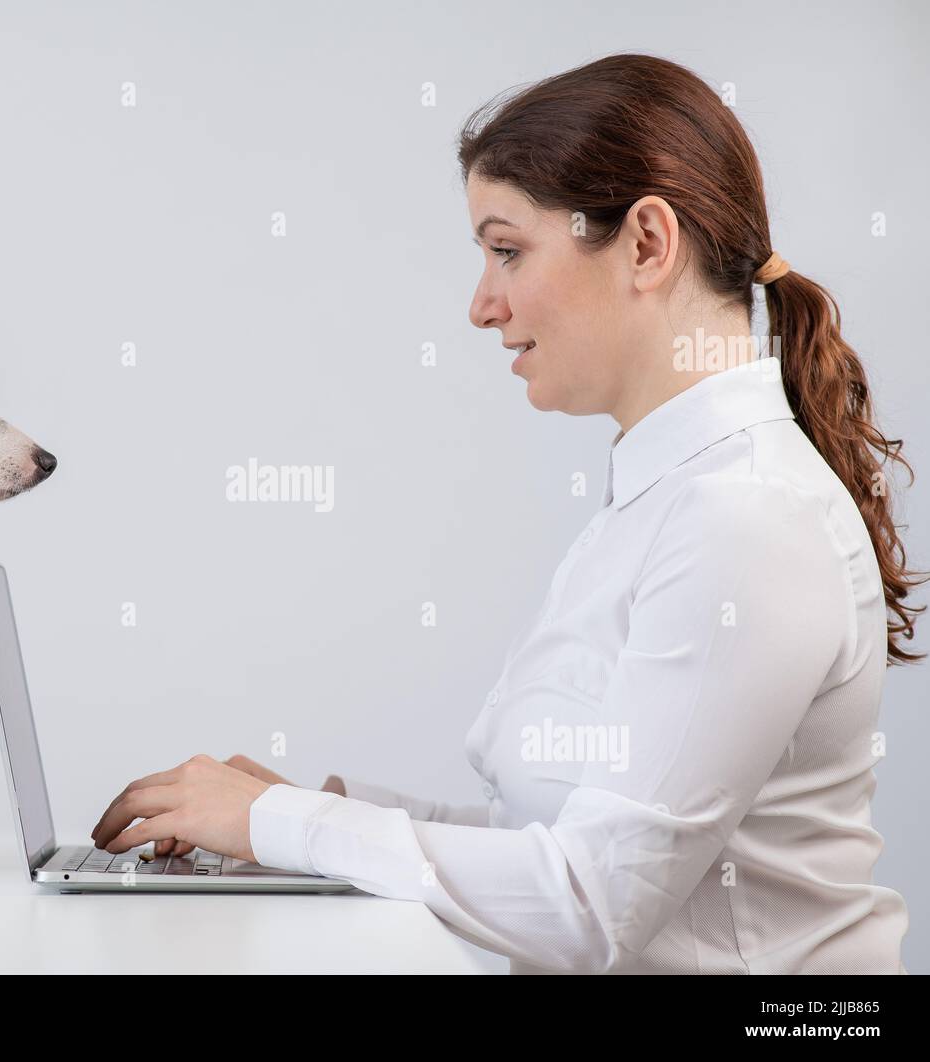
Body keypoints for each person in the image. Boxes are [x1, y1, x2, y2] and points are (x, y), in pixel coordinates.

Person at [89, 53, 923, 974]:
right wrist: (306, 812)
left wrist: (286, 823)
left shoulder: (747, 519)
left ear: (647, 243)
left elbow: (589, 904)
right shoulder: (671, 494)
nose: (483, 305)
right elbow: (552, 839)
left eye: (508, 250)